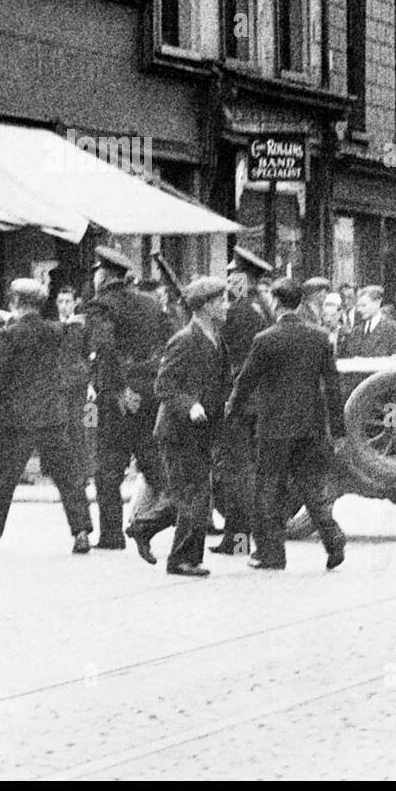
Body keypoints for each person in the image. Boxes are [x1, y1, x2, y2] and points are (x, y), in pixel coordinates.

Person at [226, 278, 348, 571]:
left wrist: (232, 411)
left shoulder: (265, 339)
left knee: (268, 489)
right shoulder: (320, 338)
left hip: (274, 428)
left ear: (277, 303)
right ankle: (333, 538)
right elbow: (333, 386)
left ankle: (271, 554)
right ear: (300, 303)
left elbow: (245, 382)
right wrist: (338, 430)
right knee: (310, 486)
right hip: (310, 425)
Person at [0, 280, 94, 553]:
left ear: (15, 302)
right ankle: (81, 530)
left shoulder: (9, 335)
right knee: (69, 477)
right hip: (52, 417)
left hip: (18, 421)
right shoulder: (55, 331)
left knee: (0, 480)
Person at [83, 246, 171, 550]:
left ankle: (111, 535)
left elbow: (104, 349)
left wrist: (122, 388)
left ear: (105, 275)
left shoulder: (100, 306)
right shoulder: (149, 304)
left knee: (107, 469)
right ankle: (177, 514)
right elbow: (168, 342)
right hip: (149, 393)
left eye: (97, 272)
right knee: (154, 464)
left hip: (115, 398)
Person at [149, 277, 232, 577]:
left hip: (202, 431)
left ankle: (165, 542)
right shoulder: (184, 339)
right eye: (220, 301)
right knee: (193, 495)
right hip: (178, 431)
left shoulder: (216, 338)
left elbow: (223, 380)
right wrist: (190, 405)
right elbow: (164, 385)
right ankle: (181, 559)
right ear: (206, 306)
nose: (225, 306)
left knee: (197, 494)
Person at [210, 246, 274, 556]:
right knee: (243, 471)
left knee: (237, 473)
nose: (228, 282)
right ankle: (236, 541)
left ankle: (244, 541)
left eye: (233, 276)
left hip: (237, 401)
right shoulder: (263, 307)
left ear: (241, 279)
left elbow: (227, 354)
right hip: (258, 401)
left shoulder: (238, 312)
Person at [55, 286, 93, 485]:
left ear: (75, 303)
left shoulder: (82, 327)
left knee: (82, 427)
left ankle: (83, 473)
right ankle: (64, 472)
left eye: (68, 301)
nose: (64, 306)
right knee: (62, 428)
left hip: (79, 384)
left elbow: (89, 355)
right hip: (59, 385)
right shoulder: (53, 327)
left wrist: (91, 384)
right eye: (60, 302)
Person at [341, 285, 396, 357]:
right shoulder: (356, 331)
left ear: (377, 302)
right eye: (358, 306)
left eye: (363, 305)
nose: (359, 309)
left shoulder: (392, 328)